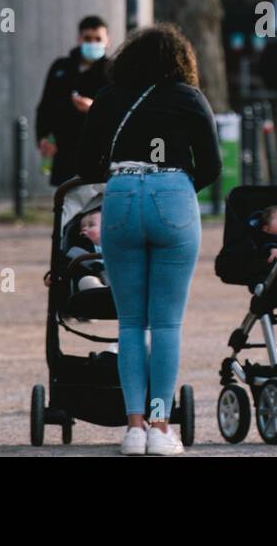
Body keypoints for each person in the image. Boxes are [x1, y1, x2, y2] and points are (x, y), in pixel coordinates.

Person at [76, 24, 221, 456]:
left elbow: (86, 163)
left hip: (120, 196)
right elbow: (211, 165)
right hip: (172, 193)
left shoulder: (109, 98)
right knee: (166, 323)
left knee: (131, 323)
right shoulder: (188, 97)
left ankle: (133, 427)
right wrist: (175, 189)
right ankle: (161, 425)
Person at [35, 15, 112, 186]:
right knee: (65, 205)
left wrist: (93, 107)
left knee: (94, 208)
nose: (93, 43)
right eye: (88, 38)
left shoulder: (113, 72)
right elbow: (45, 106)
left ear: (107, 41)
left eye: (98, 39)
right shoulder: (61, 67)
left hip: (97, 155)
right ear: (79, 39)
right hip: (64, 153)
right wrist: (43, 137)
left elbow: (118, 111)